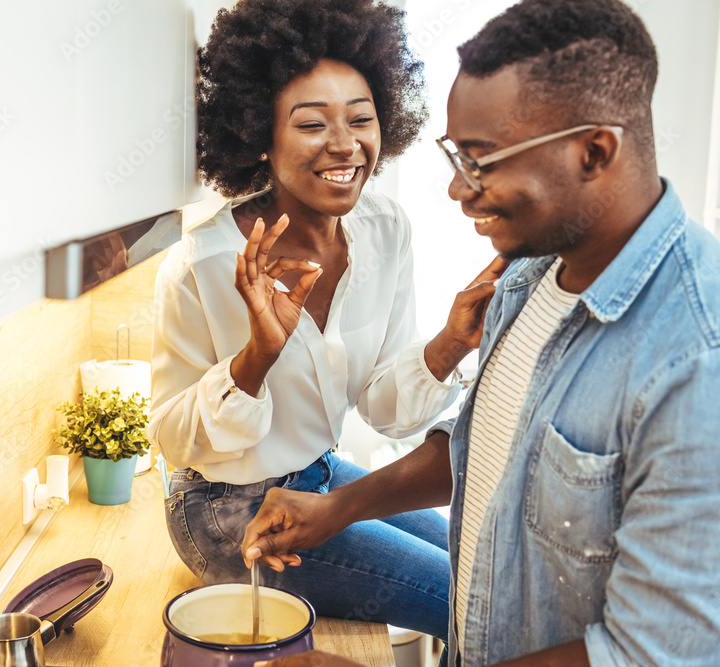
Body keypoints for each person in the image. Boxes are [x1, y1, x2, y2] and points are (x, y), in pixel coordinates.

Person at [242, 0, 720, 665]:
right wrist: (341, 506)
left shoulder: (696, 358)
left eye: (482, 159)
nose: (457, 192)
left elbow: (646, 653)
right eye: (453, 156)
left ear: (594, 151)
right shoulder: (526, 275)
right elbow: (485, 447)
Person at [148, 0, 505, 641]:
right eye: (312, 124)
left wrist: (449, 344)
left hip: (317, 475)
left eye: (361, 119)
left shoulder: (384, 228)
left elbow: (383, 406)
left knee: (486, 559)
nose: (345, 145)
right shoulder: (198, 264)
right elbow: (175, 441)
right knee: (469, 602)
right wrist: (257, 354)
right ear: (260, 133)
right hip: (223, 511)